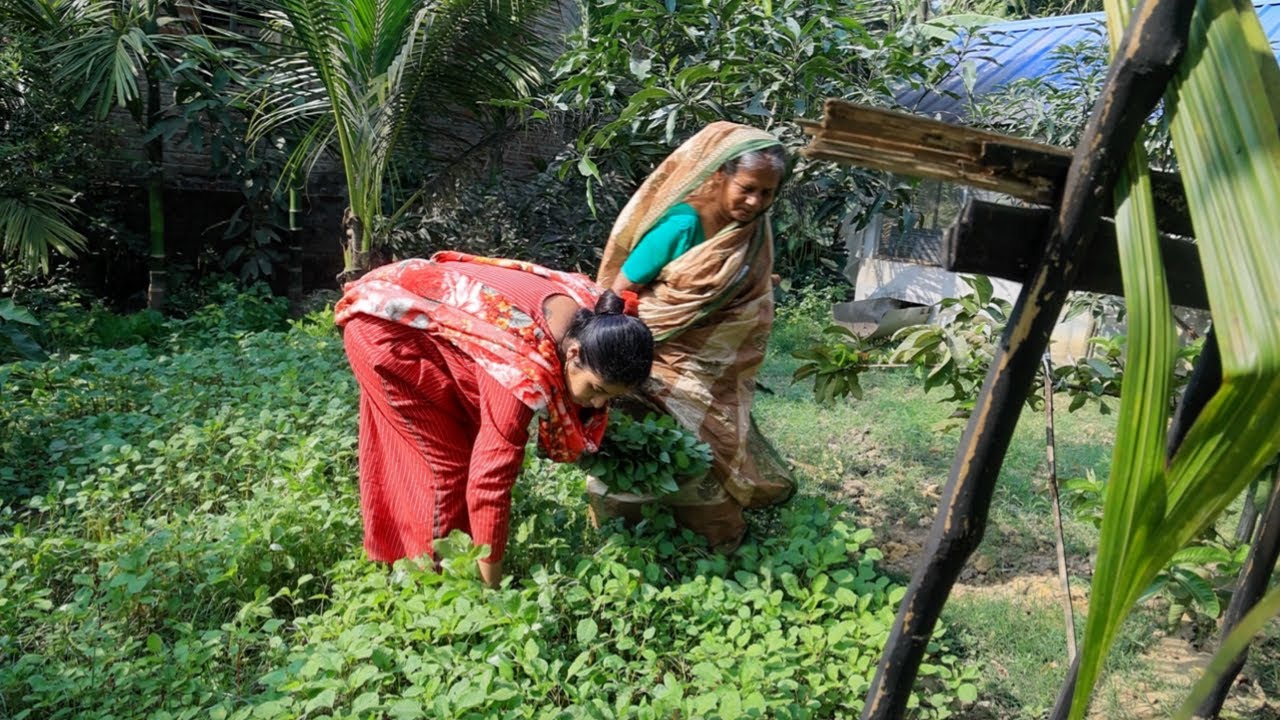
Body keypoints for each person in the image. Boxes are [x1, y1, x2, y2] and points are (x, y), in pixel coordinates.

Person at [336, 252, 654, 587]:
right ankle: (433, 583)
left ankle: (418, 560)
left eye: (610, 397)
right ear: (573, 354)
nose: (600, 403)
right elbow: (490, 485)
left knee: (462, 448)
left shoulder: (596, 317)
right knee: (447, 470)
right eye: (597, 389)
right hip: (384, 329)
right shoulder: (521, 371)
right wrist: (494, 593)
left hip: (412, 306)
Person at [596, 121, 796, 551]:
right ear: (721, 175)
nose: (755, 201)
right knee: (644, 445)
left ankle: (709, 541)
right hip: (656, 358)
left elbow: (742, 288)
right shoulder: (682, 224)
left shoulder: (751, 231)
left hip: (715, 370)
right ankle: (622, 539)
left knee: (704, 451)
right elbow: (619, 291)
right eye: (746, 187)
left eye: (767, 193)